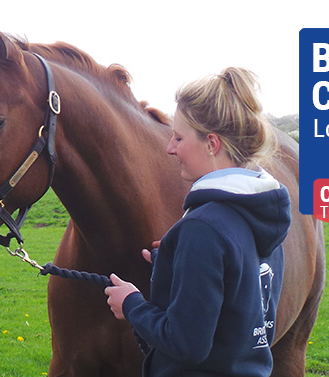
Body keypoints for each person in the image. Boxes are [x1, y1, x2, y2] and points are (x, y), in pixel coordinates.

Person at [104, 67, 290, 377]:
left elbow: (188, 344)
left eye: (178, 137)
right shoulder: (262, 217)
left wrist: (132, 304)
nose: (170, 148)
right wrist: (179, 266)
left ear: (212, 144)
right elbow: (240, 315)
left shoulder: (203, 228)